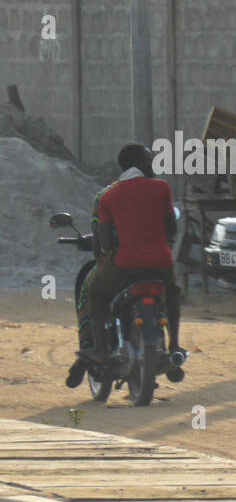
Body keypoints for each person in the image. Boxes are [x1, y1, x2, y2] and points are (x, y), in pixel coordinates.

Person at [76, 143, 183, 366]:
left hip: (126, 264)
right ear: (142, 164)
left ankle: (99, 349)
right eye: (150, 160)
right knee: (172, 293)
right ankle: (174, 345)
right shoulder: (162, 187)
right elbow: (171, 229)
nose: (153, 164)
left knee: (95, 291)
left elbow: (104, 241)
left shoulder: (107, 196)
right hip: (161, 263)